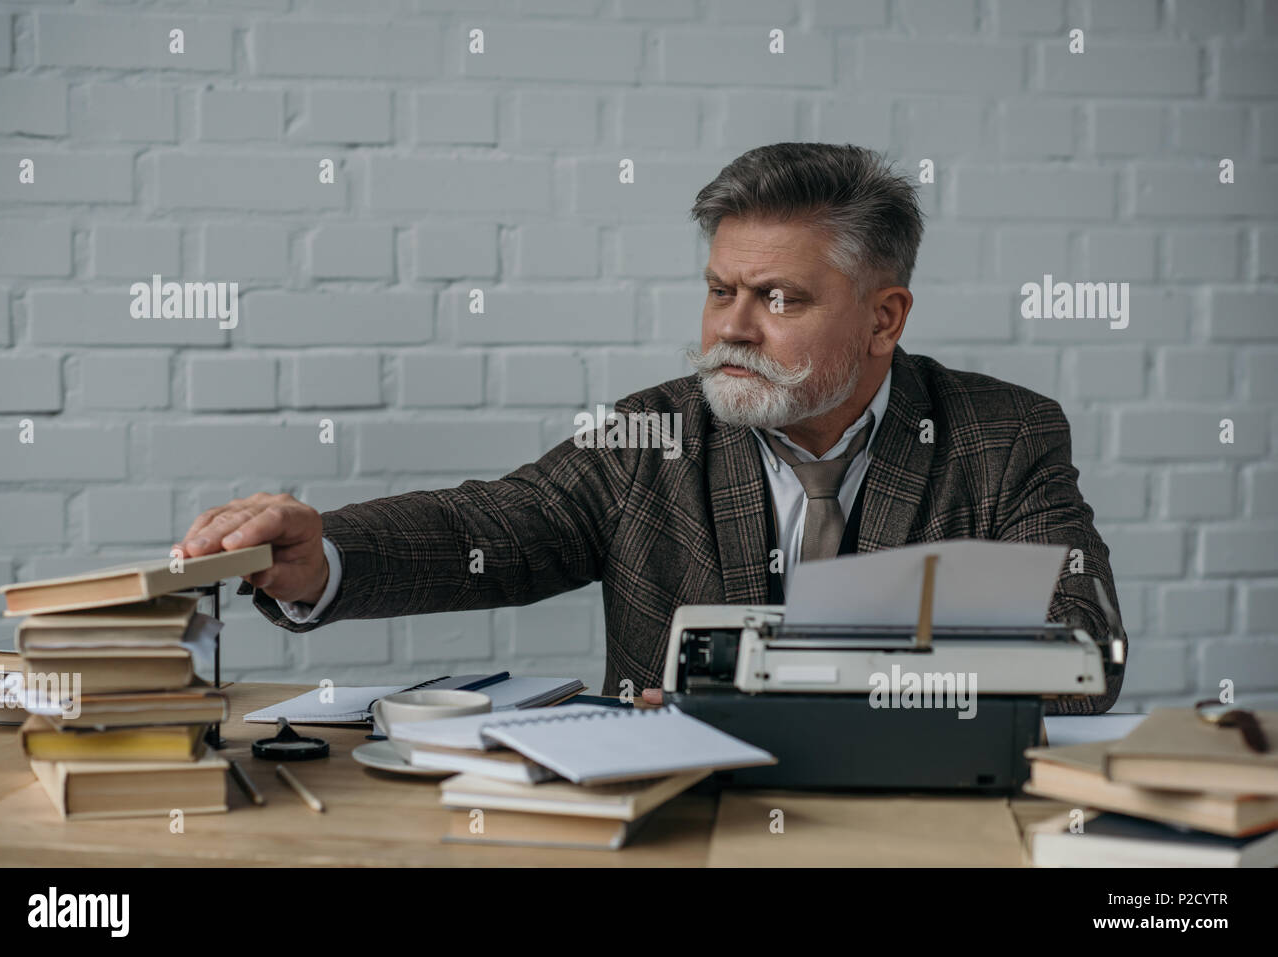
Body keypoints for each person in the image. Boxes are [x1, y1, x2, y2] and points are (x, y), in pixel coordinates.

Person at [175, 143, 1125, 714]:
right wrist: (326, 552)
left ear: (885, 317)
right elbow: (491, 530)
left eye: (779, 297)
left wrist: (810, 693)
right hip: (682, 826)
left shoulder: (1005, 435)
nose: (731, 329)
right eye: (720, 291)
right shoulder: (650, 437)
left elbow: (1081, 651)